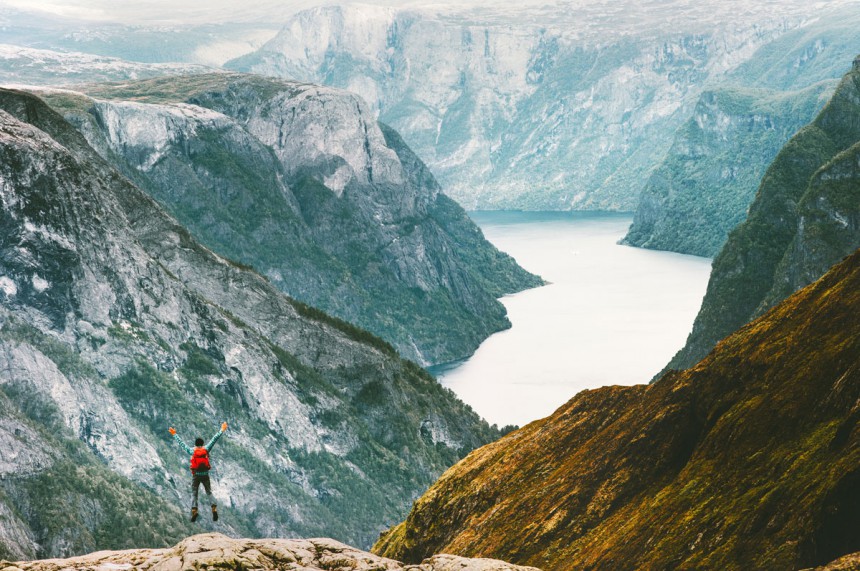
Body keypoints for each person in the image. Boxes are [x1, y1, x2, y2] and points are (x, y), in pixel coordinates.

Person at [169, 422, 227, 522]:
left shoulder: (192, 451)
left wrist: (174, 434)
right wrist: (222, 429)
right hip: (205, 475)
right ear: (202, 443)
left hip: (196, 476)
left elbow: (182, 444)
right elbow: (214, 439)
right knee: (209, 492)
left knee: (194, 493)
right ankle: (213, 507)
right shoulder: (206, 449)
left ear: (195, 444)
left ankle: (194, 511)